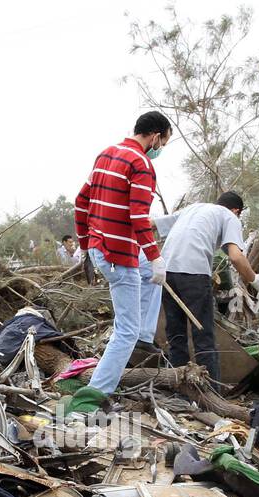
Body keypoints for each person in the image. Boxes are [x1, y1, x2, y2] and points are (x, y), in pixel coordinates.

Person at [73, 110, 172, 399]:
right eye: (163, 142)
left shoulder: (106, 154)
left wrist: (85, 248)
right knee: (125, 330)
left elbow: (81, 201)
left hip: (100, 247)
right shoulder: (141, 164)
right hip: (118, 255)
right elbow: (139, 216)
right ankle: (94, 395)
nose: (161, 149)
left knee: (151, 279)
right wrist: (155, 256)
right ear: (155, 135)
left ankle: (144, 334)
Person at [152, 191, 259, 383]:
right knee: (203, 336)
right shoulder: (230, 216)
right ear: (236, 210)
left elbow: (151, 223)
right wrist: (255, 279)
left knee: (176, 335)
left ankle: (180, 391)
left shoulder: (193, 209)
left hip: (166, 272)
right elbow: (235, 256)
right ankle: (210, 393)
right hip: (194, 273)